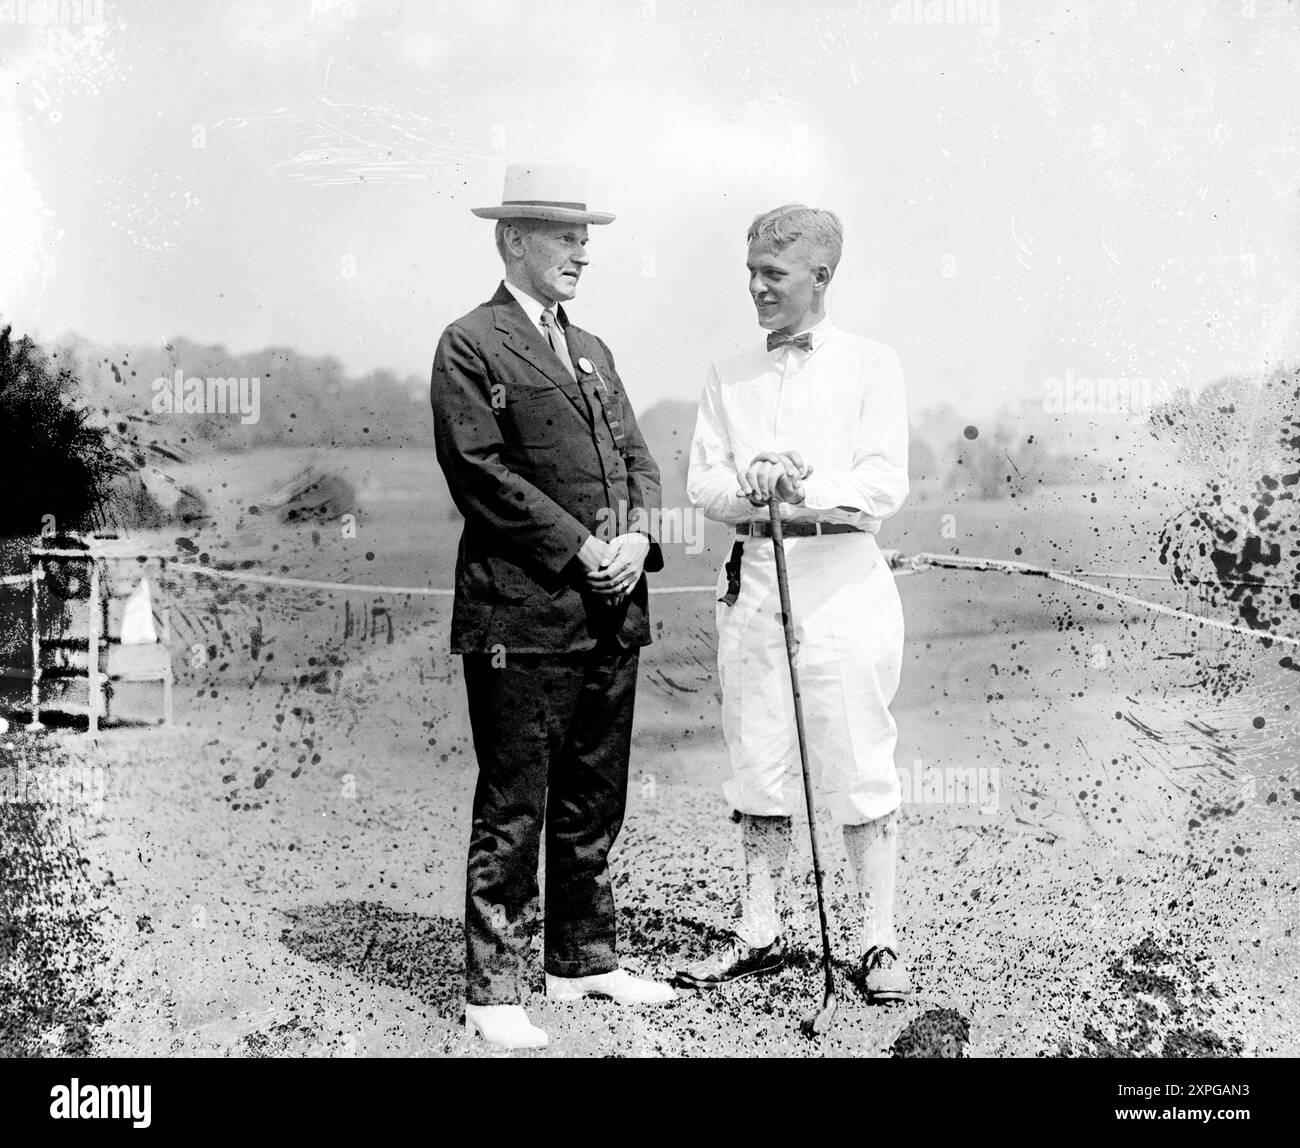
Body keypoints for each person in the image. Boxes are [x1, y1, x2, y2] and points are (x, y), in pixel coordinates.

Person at [431, 163, 674, 1050]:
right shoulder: (470, 344)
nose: (582, 252)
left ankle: (583, 961)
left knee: (592, 799)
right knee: (516, 801)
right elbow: (480, 473)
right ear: (512, 240)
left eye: (585, 238)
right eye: (565, 236)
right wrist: (581, 549)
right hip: (521, 620)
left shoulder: (595, 349)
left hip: (612, 612)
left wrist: (640, 541)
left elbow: (640, 462)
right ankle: (493, 990)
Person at [677, 204, 912, 1002]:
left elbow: (885, 482)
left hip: (842, 579)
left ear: (821, 276)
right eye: (750, 273)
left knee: (856, 758)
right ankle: (761, 931)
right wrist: (747, 487)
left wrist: (803, 481)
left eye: (772, 275)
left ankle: (878, 942)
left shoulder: (873, 365)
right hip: (752, 579)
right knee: (757, 757)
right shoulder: (727, 373)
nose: (756, 289)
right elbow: (701, 482)